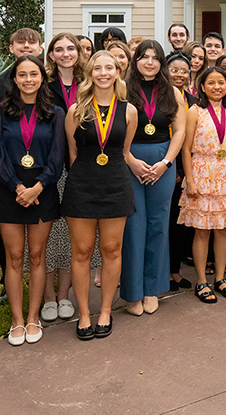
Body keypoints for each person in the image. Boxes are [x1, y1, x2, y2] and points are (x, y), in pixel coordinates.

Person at [0, 55, 65, 346]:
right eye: (22, 75)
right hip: (10, 190)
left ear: (42, 78)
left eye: (34, 74)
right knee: (15, 257)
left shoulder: (55, 113)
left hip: (42, 190)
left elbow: (58, 157)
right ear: (14, 79)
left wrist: (38, 187)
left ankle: (33, 317)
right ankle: (17, 320)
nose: (28, 79)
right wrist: (18, 186)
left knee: (36, 256)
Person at [61, 50, 136, 341]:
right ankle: (83, 313)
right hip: (82, 186)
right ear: (90, 73)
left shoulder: (129, 110)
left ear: (117, 72)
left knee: (111, 250)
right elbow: (72, 153)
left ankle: (105, 310)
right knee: (81, 252)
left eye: (110, 68)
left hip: (116, 184)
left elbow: (125, 151)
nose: (103, 73)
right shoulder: (76, 110)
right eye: (98, 68)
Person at [122, 41, 187, 315]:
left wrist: (166, 162)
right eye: (143, 57)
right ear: (135, 60)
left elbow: (180, 131)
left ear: (162, 62)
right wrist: (130, 160)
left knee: (159, 225)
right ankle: (133, 292)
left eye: (155, 58)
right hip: (129, 159)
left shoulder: (172, 92)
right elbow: (114, 127)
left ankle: (152, 288)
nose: (149, 62)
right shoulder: (123, 90)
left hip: (163, 159)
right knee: (133, 225)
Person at [180, 67, 226, 304]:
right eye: (211, 83)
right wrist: (190, 179)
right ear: (202, 87)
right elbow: (186, 148)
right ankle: (201, 280)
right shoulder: (195, 111)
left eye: (221, 82)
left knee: (223, 229)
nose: (217, 87)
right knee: (201, 230)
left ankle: (220, 278)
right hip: (201, 171)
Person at [41, 33, 93, 322]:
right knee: (50, 233)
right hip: (51, 165)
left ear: (79, 52)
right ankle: (48, 295)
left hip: (83, 166)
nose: (65, 53)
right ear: (50, 55)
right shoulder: (44, 85)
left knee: (73, 235)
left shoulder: (89, 84)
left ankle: (64, 294)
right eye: (58, 49)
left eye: (70, 48)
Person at [166, 53, 199, 290]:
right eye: (174, 69)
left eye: (184, 71)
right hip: (162, 167)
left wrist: (185, 171)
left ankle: (175, 271)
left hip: (187, 169)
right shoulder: (157, 99)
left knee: (180, 225)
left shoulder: (194, 101)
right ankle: (161, 273)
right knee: (164, 223)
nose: (179, 74)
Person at [0, 28, 44, 102]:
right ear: (11, 48)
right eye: (21, 42)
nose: (26, 45)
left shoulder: (50, 82)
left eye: (32, 42)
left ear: (40, 49)